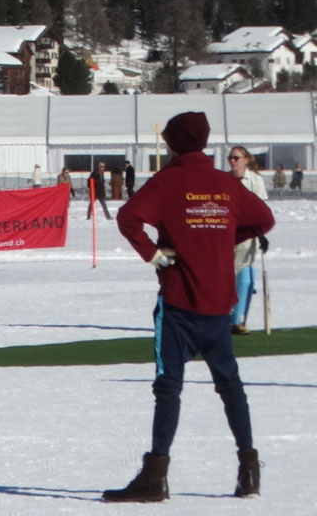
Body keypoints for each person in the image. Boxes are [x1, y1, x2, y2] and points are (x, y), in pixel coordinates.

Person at [102, 110, 272, 502]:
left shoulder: (168, 181)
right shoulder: (224, 183)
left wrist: (152, 254)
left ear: (173, 143)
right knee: (231, 387)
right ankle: (249, 470)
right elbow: (263, 219)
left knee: (168, 388)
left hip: (178, 301)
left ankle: (155, 476)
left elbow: (129, 218)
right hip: (218, 304)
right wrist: (225, 237)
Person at [226, 146, 270, 336]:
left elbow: (260, 209)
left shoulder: (255, 180)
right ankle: (232, 319)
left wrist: (261, 234)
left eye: (236, 158)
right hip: (229, 236)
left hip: (249, 236)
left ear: (245, 159)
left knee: (247, 279)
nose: (233, 161)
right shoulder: (225, 180)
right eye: (231, 158)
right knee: (234, 278)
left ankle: (239, 319)